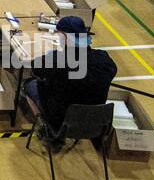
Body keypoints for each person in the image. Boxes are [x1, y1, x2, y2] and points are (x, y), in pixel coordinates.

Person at [24, 16, 117, 150]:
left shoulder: (58, 60)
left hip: (61, 119)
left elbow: (35, 67)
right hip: (95, 120)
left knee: (29, 83)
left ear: (65, 38)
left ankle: (52, 133)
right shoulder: (105, 60)